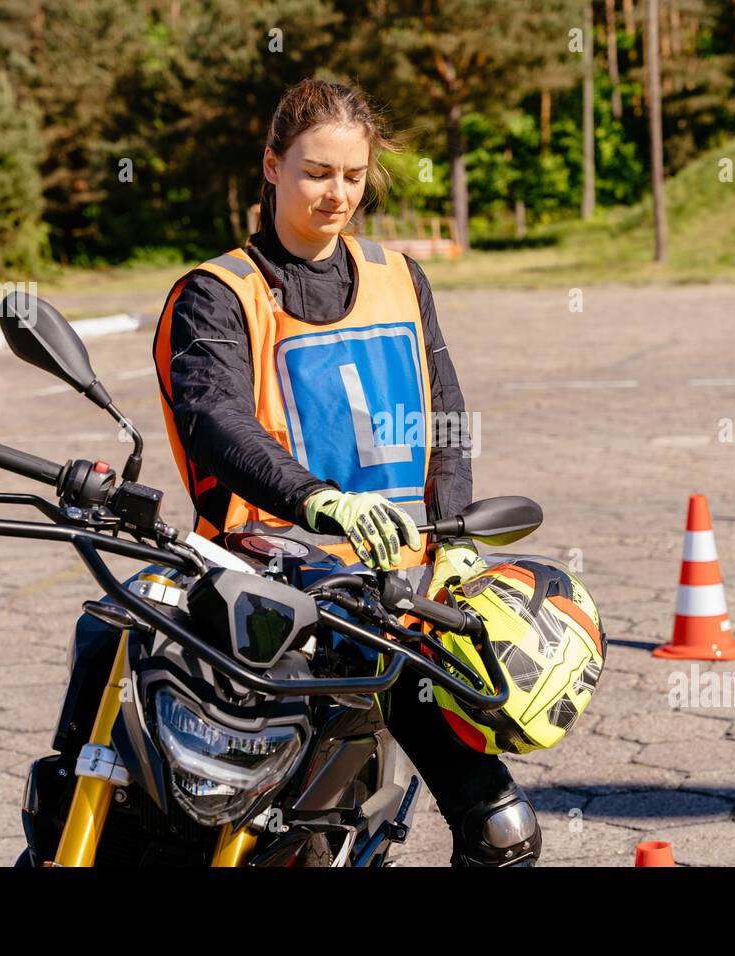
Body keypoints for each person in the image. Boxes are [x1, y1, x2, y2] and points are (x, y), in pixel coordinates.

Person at [151, 77, 540, 866]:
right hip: (269, 617)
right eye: (316, 172)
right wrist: (316, 501)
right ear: (271, 165)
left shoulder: (399, 275)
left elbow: (446, 411)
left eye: (354, 177)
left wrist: (455, 535)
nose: (338, 195)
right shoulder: (217, 293)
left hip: (398, 610)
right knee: (289, 848)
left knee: (503, 834)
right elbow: (214, 418)